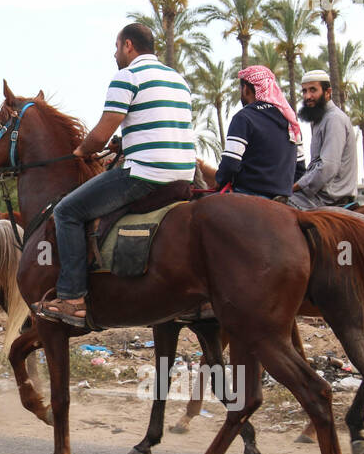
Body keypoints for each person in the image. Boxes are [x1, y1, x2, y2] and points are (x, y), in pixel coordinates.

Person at [36, 23, 195, 325]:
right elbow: (160, 122)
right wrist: (124, 142)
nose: (115, 53)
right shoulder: (178, 80)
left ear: (128, 46)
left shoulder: (128, 76)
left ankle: (72, 298)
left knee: (67, 211)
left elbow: (101, 132)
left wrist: (82, 151)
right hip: (184, 174)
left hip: (146, 173)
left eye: (116, 46)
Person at [214, 64, 301, 200]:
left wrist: (219, 182)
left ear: (246, 89)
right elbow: (300, 168)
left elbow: (230, 164)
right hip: (284, 200)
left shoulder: (244, 117)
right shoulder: (290, 121)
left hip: (248, 196)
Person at [288, 68, 358, 209]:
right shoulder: (319, 119)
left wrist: (295, 186)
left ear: (328, 92)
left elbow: (328, 167)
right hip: (319, 195)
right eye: (304, 91)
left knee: (279, 208)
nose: (307, 96)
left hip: (330, 198)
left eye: (313, 90)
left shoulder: (334, 119)